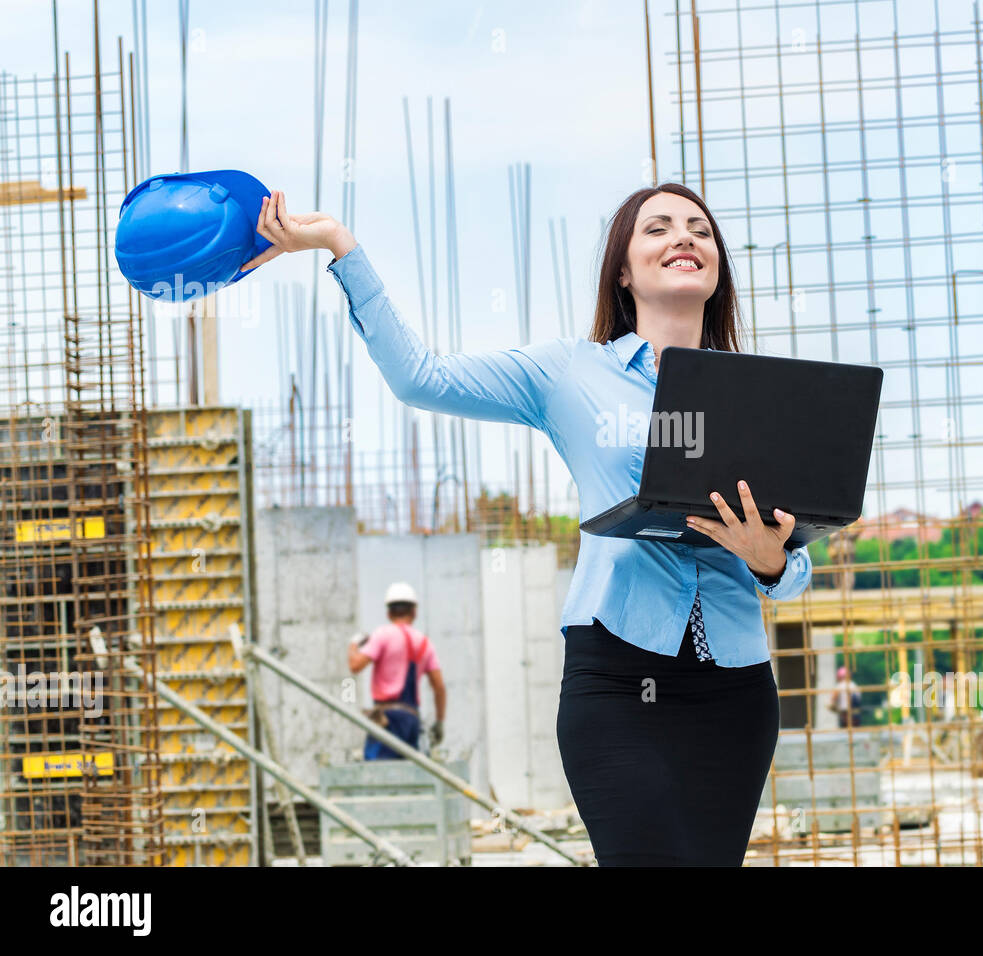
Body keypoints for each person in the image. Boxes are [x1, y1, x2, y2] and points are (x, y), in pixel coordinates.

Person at [242, 183, 816, 866]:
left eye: (699, 229)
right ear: (624, 271)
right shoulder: (570, 373)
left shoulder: (762, 394)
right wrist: (342, 246)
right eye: (658, 228)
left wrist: (770, 561)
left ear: (716, 268)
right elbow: (420, 376)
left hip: (735, 689)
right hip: (619, 679)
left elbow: (794, 564)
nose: (684, 238)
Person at [348, 582, 447, 760]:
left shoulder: (382, 635)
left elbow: (355, 666)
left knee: (379, 776)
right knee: (410, 776)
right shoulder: (424, 643)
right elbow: (439, 687)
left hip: (387, 720)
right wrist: (439, 722)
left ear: (389, 612)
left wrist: (354, 644)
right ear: (414, 611)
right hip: (411, 721)